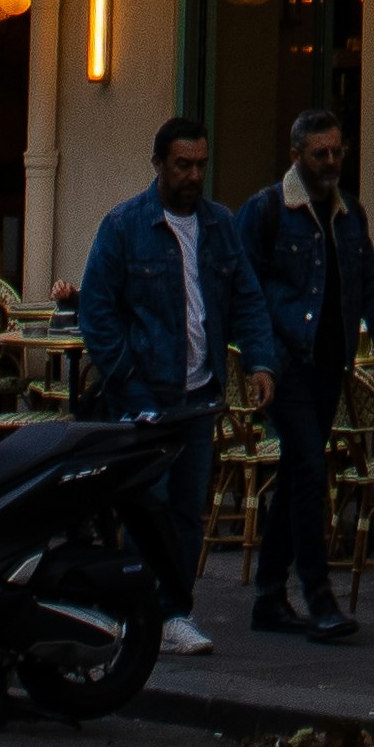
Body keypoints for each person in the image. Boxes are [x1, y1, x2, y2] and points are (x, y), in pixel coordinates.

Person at [75, 115, 269, 653]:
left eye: (201, 165)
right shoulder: (124, 226)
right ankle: (138, 610)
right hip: (146, 397)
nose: (193, 175)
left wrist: (259, 362)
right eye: (183, 165)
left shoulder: (219, 225)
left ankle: (173, 613)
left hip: (198, 395)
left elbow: (247, 297)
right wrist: (127, 385)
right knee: (146, 507)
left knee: (186, 508)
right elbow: (98, 312)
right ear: (158, 164)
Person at [234, 110, 374, 644]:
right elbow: (243, 289)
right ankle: (319, 597)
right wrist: (259, 357)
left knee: (298, 472)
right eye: (319, 154)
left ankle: (267, 596)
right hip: (285, 363)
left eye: (337, 152)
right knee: (308, 468)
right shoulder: (266, 211)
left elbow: (371, 284)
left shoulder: (351, 215)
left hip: (331, 362)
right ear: (296, 154)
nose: (330, 163)